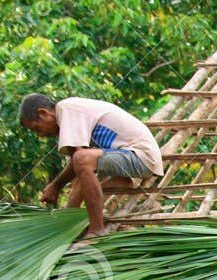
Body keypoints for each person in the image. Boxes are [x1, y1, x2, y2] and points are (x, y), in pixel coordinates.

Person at [18, 94, 164, 238]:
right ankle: (67, 226)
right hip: (130, 158)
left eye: (37, 128)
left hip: (140, 156)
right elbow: (77, 168)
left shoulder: (66, 108)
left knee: (81, 160)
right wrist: (59, 195)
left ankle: (96, 230)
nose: (40, 135)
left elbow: (79, 159)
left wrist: (56, 185)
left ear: (43, 113)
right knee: (80, 168)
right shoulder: (70, 115)